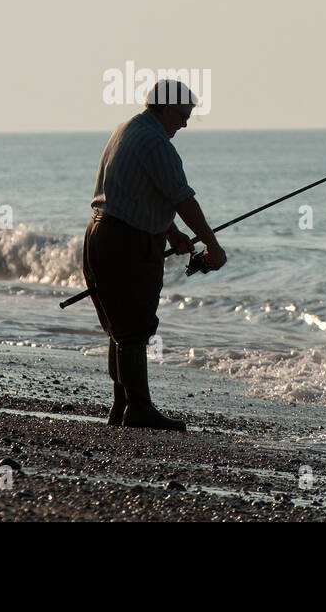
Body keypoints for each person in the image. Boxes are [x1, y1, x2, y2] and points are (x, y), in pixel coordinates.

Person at [84, 79, 227, 431]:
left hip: (102, 235)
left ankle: (123, 405)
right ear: (164, 108)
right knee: (133, 327)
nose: (185, 123)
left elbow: (134, 193)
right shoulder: (155, 143)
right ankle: (139, 409)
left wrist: (172, 232)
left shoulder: (127, 130)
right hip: (125, 243)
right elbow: (182, 200)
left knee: (121, 328)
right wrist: (213, 245)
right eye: (183, 114)